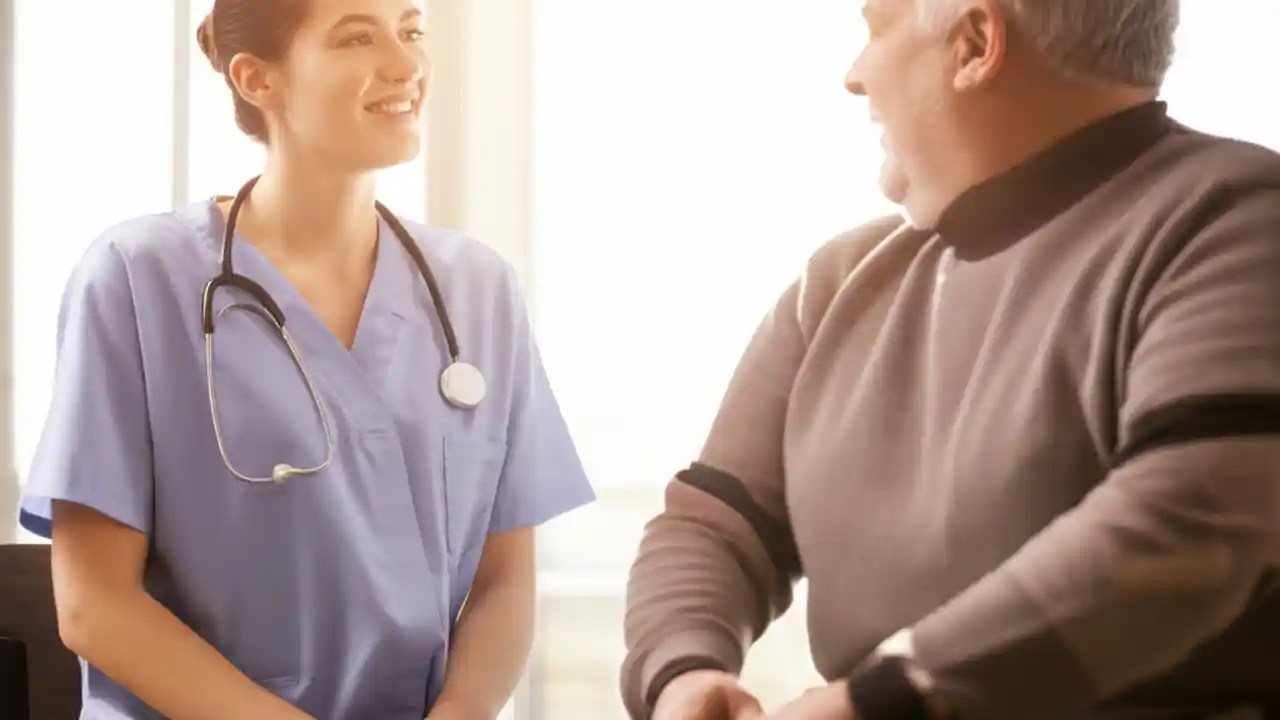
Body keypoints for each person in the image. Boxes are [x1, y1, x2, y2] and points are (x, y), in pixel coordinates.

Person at [621, 0, 1280, 718]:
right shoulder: (839, 283)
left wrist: (890, 698)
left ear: (973, 43)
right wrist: (682, 671)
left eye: (874, 31)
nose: (855, 76)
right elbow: (714, 528)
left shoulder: (1238, 220)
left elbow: (1189, 526)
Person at [17, 0, 594, 718]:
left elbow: (505, 582)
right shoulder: (137, 278)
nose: (406, 64)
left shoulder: (478, 288)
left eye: (412, 31)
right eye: (357, 37)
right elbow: (95, 605)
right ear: (258, 79)